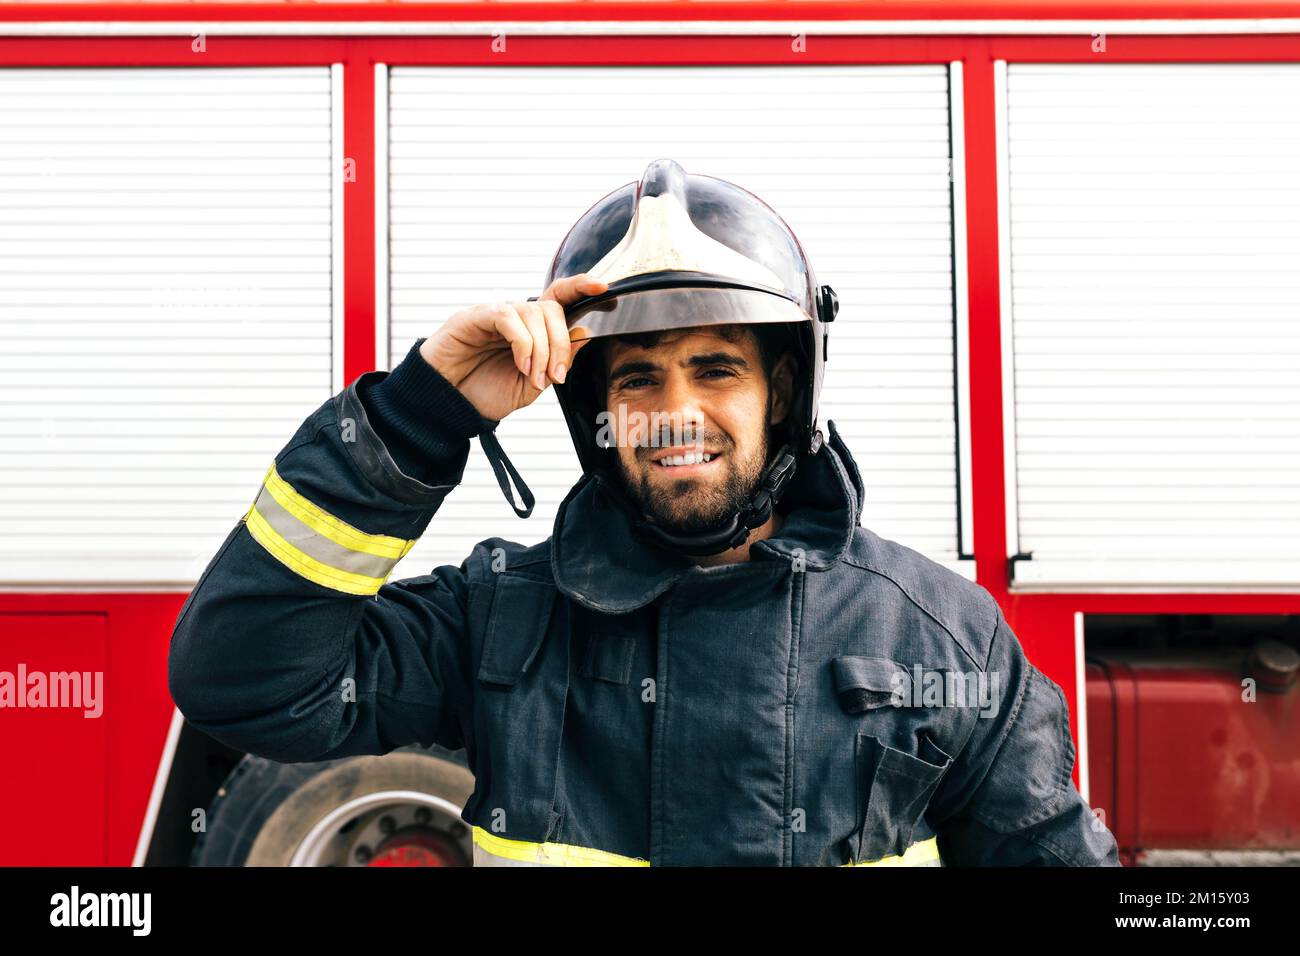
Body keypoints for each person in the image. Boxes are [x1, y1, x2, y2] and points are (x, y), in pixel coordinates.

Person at [168, 159, 1120, 866]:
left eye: (716, 368)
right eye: (638, 378)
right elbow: (244, 683)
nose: (677, 412)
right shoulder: (501, 615)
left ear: (782, 393)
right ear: (597, 415)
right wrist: (419, 414)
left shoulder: (946, 641)